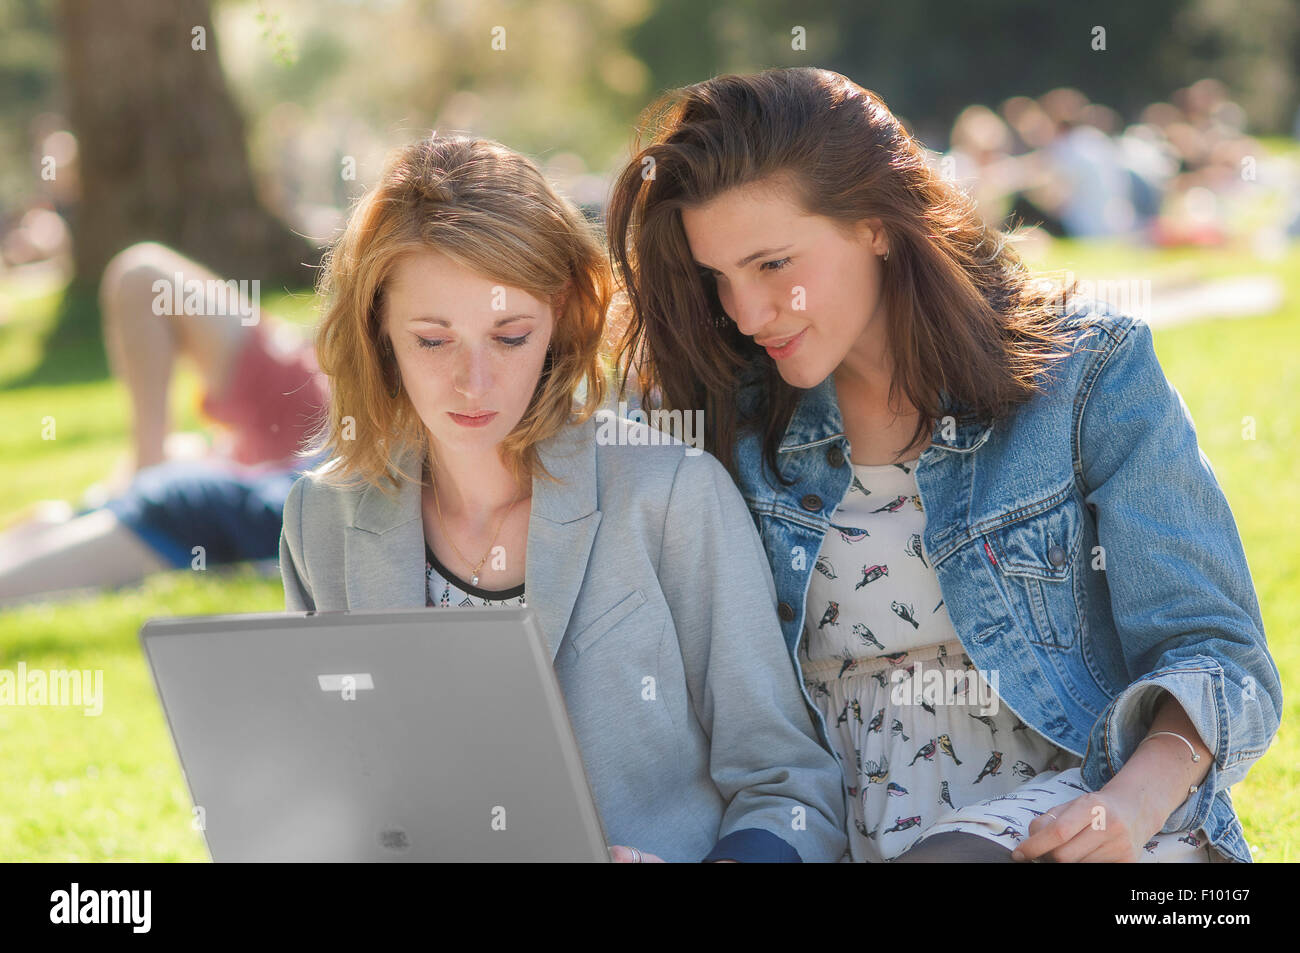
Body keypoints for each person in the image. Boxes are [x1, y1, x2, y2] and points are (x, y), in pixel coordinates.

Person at [604, 67, 1280, 863]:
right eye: (719, 278)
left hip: (1076, 819)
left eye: (773, 265)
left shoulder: (1088, 373)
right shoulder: (720, 417)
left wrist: (1125, 808)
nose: (747, 313)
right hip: (828, 832)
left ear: (877, 224)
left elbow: (1218, 653)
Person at [277, 132, 848, 864]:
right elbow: (338, 798)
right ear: (377, 330)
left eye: (510, 337)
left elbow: (791, 786)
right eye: (432, 340)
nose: (473, 383)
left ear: (562, 320)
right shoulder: (321, 517)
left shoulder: (669, 494)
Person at [0, 242, 329, 607]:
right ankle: (130, 483)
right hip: (234, 484)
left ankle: (135, 479)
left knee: (60, 528)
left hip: (202, 506)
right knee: (52, 524)